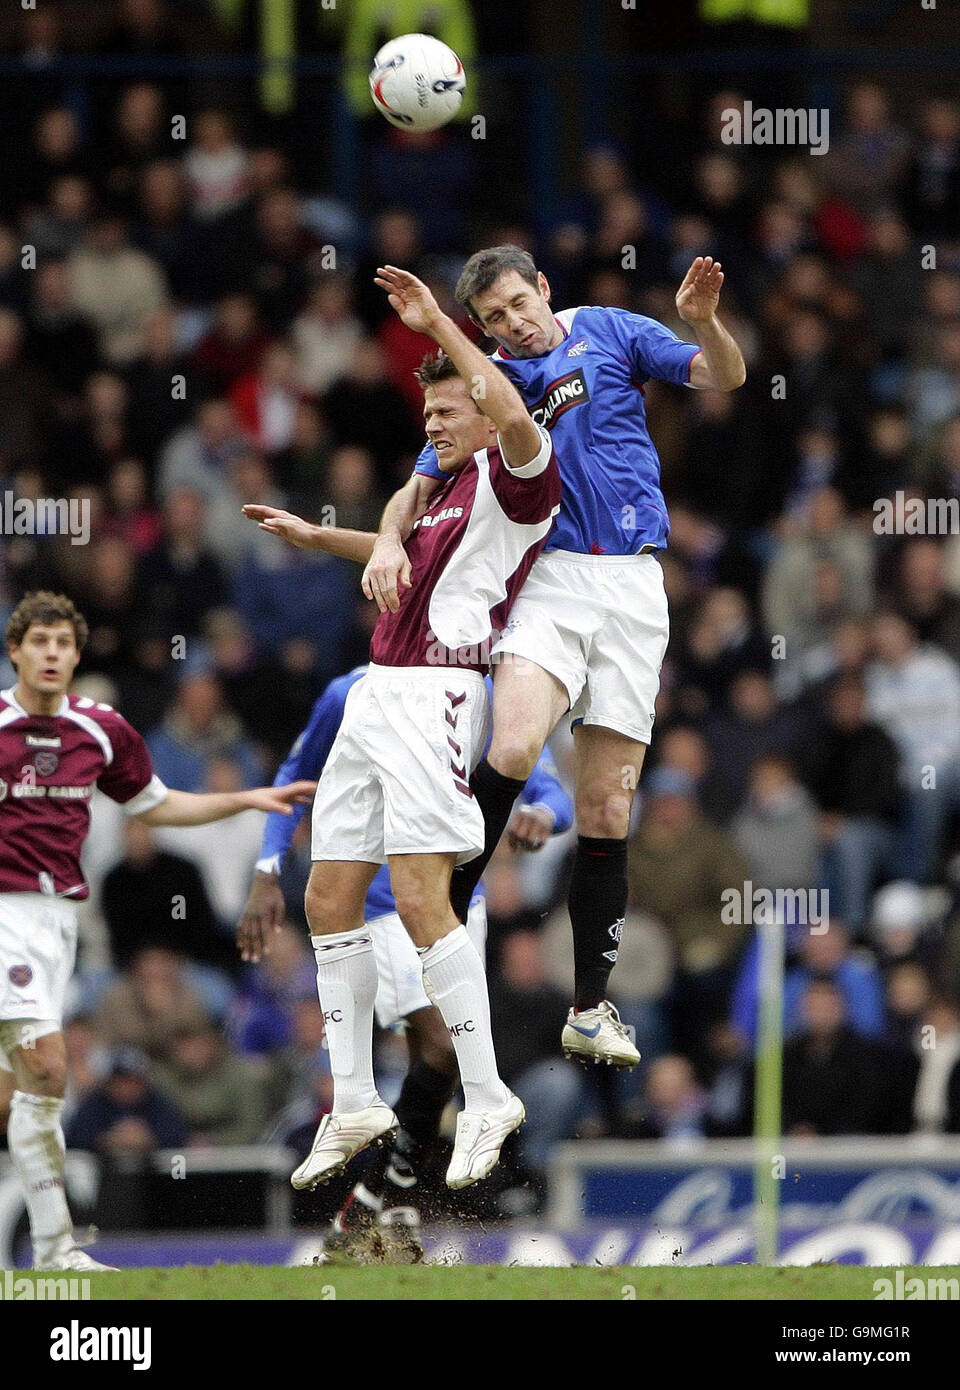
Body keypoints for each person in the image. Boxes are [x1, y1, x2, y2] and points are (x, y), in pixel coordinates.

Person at [362, 246, 745, 1066]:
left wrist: (706, 322)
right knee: (513, 743)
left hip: (636, 587)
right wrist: (390, 538)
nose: (513, 325)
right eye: (493, 320)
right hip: (548, 578)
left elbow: (724, 379)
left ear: (543, 287)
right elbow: (419, 482)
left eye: (516, 305)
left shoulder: (607, 329)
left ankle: (590, 1007)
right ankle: (443, 917)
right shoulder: (483, 379)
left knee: (608, 811)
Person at [244, 264, 561, 1192]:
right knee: (328, 898)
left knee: (425, 900)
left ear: (485, 408)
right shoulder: (440, 494)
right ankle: (353, 1102)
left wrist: (441, 327)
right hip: (378, 691)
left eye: (448, 410)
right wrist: (324, 538)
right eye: (426, 415)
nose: (434, 423)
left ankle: (490, 1094)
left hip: (438, 695)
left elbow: (507, 405)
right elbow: (401, 559)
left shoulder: (517, 479)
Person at [0, 590, 314, 1272]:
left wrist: (246, 798)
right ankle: (56, 1251)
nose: (51, 653)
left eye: (63, 643)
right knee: (49, 1067)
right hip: (7, 911)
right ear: (15, 652)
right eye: (38, 642)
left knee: (23, 1088)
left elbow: (159, 805)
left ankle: (50, 1245)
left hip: (57, 926)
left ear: (77, 655)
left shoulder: (100, 729)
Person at [237, 663, 572, 1254]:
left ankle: (378, 1203)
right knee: (445, 1045)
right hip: (383, 903)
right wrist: (268, 867)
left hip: (460, 901)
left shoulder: (487, 694)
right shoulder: (350, 692)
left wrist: (539, 816)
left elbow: (551, 793)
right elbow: (295, 776)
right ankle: (381, 1197)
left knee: (433, 1068)